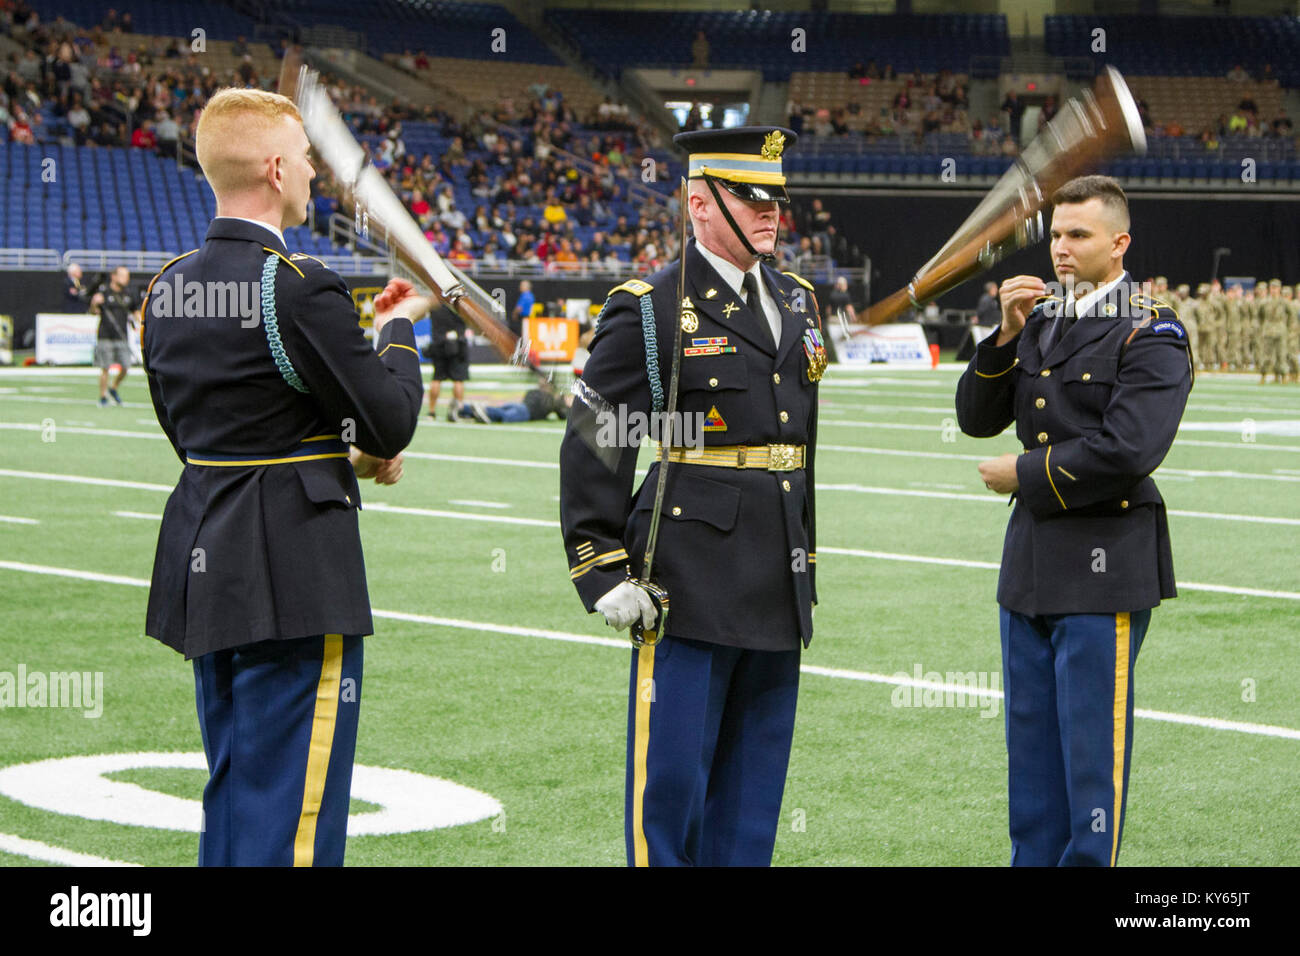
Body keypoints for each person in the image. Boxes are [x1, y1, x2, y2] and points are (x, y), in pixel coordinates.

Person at [140, 88, 427, 867]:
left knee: (235, 791)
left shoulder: (166, 285)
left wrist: (335, 445)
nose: (310, 172)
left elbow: (198, 430)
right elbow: (389, 421)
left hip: (206, 556)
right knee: (294, 810)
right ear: (274, 168)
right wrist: (399, 329)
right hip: (293, 567)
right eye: (302, 157)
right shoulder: (297, 283)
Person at [560, 126, 823, 866]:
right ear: (699, 204)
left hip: (778, 573)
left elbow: (797, 445)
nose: (771, 211)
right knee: (672, 788)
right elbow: (598, 437)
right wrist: (601, 564)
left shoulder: (798, 299)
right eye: (751, 197)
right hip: (688, 577)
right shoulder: (651, 305)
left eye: (777, 196)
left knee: (751, 797)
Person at [955, 175, 1192, 867]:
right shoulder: (1045, 318)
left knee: (1091, 759)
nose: (1059, 247)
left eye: (1078, 234)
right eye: (1055, 233)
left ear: (1119, 244)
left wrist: (1022, 474)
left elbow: (1130, 449)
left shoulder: (1153, 326)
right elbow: (975, 418)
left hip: (1104, 562)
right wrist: (1004, 335)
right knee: (1030, 761)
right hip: (1029, 564)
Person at [89, 265, 139, 406]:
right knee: (105, 367)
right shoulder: (103, 292)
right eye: (123, 276)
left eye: (127, 276)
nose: (126, 279)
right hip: (105, 335)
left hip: (121, 335)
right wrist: (94, 303)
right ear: (114, 276)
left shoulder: (128, 294)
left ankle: (114, 387)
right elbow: (94, 312)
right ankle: (103, 396)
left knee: (125, 366)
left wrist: (140, 322)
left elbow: (134, 311)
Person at [423, 304, 471, 420]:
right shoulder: (458, 305)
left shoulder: (435, 305)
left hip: (439, 344)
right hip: (457, 345)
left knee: (437, 378)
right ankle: (458, 410)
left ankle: (431, 411)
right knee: (458, 379)